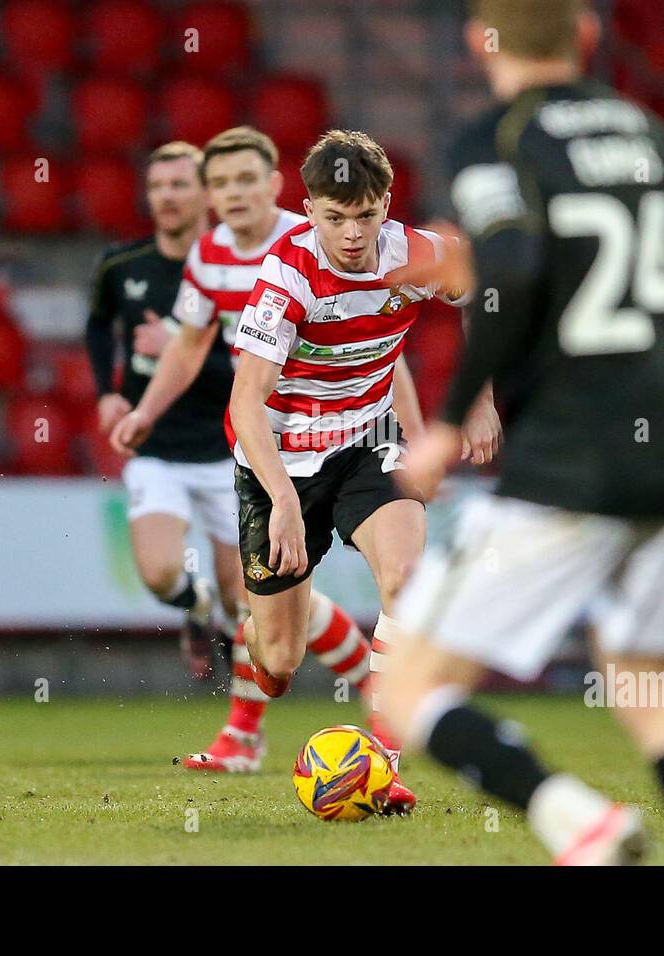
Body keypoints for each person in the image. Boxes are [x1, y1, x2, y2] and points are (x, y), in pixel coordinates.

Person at [381, 0, 664, 865]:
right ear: (585, 36)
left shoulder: (498, 138)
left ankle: (576, 822)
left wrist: (448, 419)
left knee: (409, 687)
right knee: (654, 695)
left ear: (481, 42)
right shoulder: (649, 131)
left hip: (572, 454)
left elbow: (511, 265)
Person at [110, 128, 412, 779]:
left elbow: (385, 340)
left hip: (360, 434)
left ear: (278, 187)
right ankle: (284, 689)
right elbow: (193, 349)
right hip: (266, 446)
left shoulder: (341, 229)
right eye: (220, 184)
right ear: (208, 195)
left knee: (400, 578)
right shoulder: (212, 257)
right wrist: (146, 411)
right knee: (272, 646)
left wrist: (427, 433)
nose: (234, 194)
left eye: (247, 179)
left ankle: (367, 741)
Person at [222, 129, 503, 813]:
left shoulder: (415, 253)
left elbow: (482, 291)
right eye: (333, 217)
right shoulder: (285, 277)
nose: (352, 234)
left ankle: (385, 762)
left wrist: (481, 399)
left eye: (366, 214)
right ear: (310, 210)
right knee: (279, 662)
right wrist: (284, 501)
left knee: (407, 581)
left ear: (387, 205)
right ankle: (282, 619)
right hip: (278, 460)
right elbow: (244, 403)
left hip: (366, 442)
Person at [86, 141, 238, 681]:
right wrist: (108, 390)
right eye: (157, 187)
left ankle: (240, 735)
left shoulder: (236, 271)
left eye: (179, 185)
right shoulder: (122, 265)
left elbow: (256, 366)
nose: (166, 197)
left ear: (206, 194)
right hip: (158, 449)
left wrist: (176, 343)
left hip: (230, 451)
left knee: (243, 603)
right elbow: (100, 325)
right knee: (159, 574)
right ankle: (195, 608)